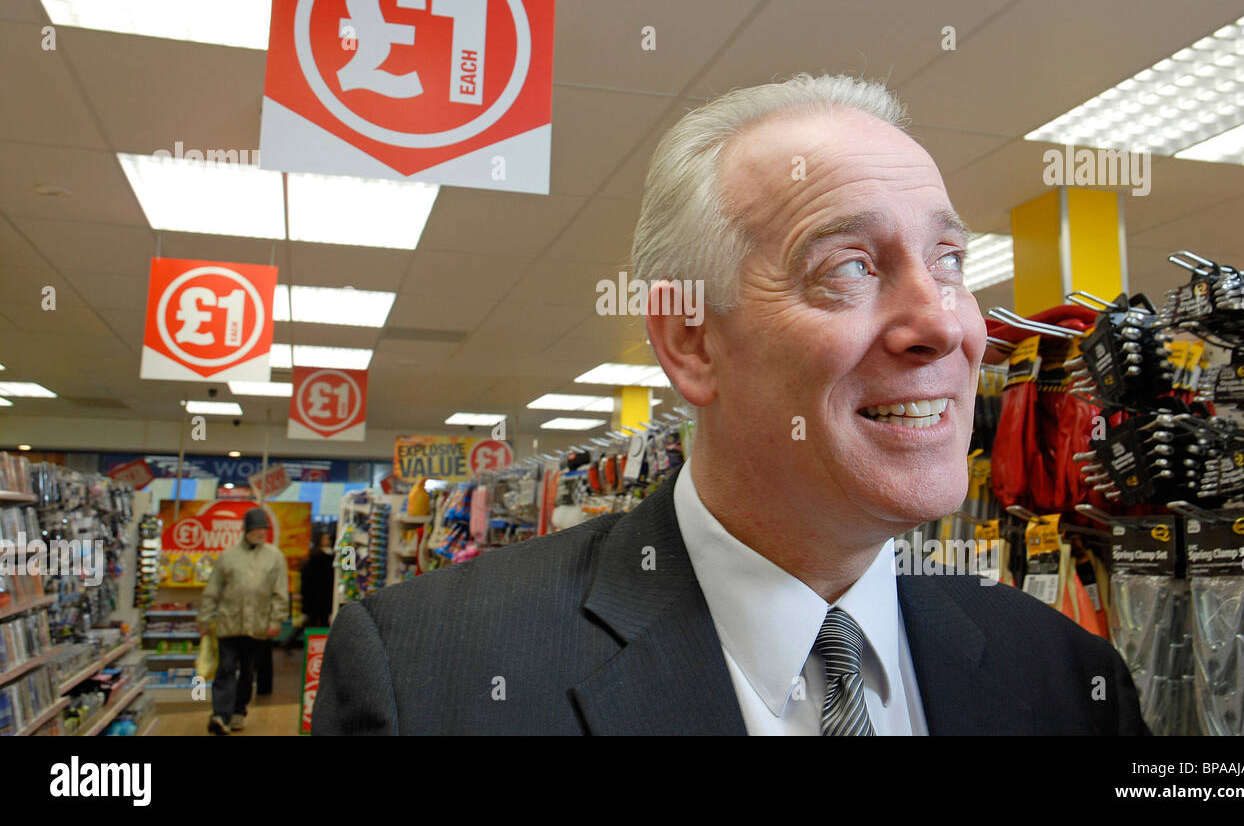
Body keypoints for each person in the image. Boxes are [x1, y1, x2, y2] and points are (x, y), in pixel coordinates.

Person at [315, 73, 1149, 735]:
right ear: (690, 341)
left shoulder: (1068, 676)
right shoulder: (431, 678)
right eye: (849, 266)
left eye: (950, 259)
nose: (943, 321)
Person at [199, 507, 289, 735]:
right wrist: (205, 618)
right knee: (225, 669)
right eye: (258, 529)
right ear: (247, 530)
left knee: (248, 672)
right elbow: (213, 590)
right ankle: (221, 715)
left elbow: (280, 592)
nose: (262, 533)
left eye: (265, 529)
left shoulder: (275, 556)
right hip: (229, 624)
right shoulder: (228, 557)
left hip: (258, 626)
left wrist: (277, 620)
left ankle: (238, 712)